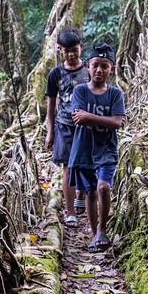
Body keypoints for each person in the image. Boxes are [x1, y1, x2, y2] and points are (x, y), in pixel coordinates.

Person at [69, 44, 126, 250]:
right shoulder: (80, 90)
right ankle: (95, 235)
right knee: (91, 192)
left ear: (112, 69)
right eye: (96, 66)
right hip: (83, 149)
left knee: (103, 187)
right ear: (87, 67)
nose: (100, 70)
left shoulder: (115, 94)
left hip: (107, 149)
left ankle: (102, 229)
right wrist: (106, 119)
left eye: (105, 66)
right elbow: (78, 118)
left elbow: (118, 122)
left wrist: (89, 116)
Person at [44, 28, 90, 226]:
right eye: (67, 50)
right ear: (60, 50)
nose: (71, 54)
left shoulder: (89, 69)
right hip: (64, 125)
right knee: (68, 168)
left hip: (88, 126)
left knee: (87, 166)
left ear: (81, 47)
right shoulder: (56, 74)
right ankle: (70, 211)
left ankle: (81, 196)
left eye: (75, 49)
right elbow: (51, 106)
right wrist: (50, 131)